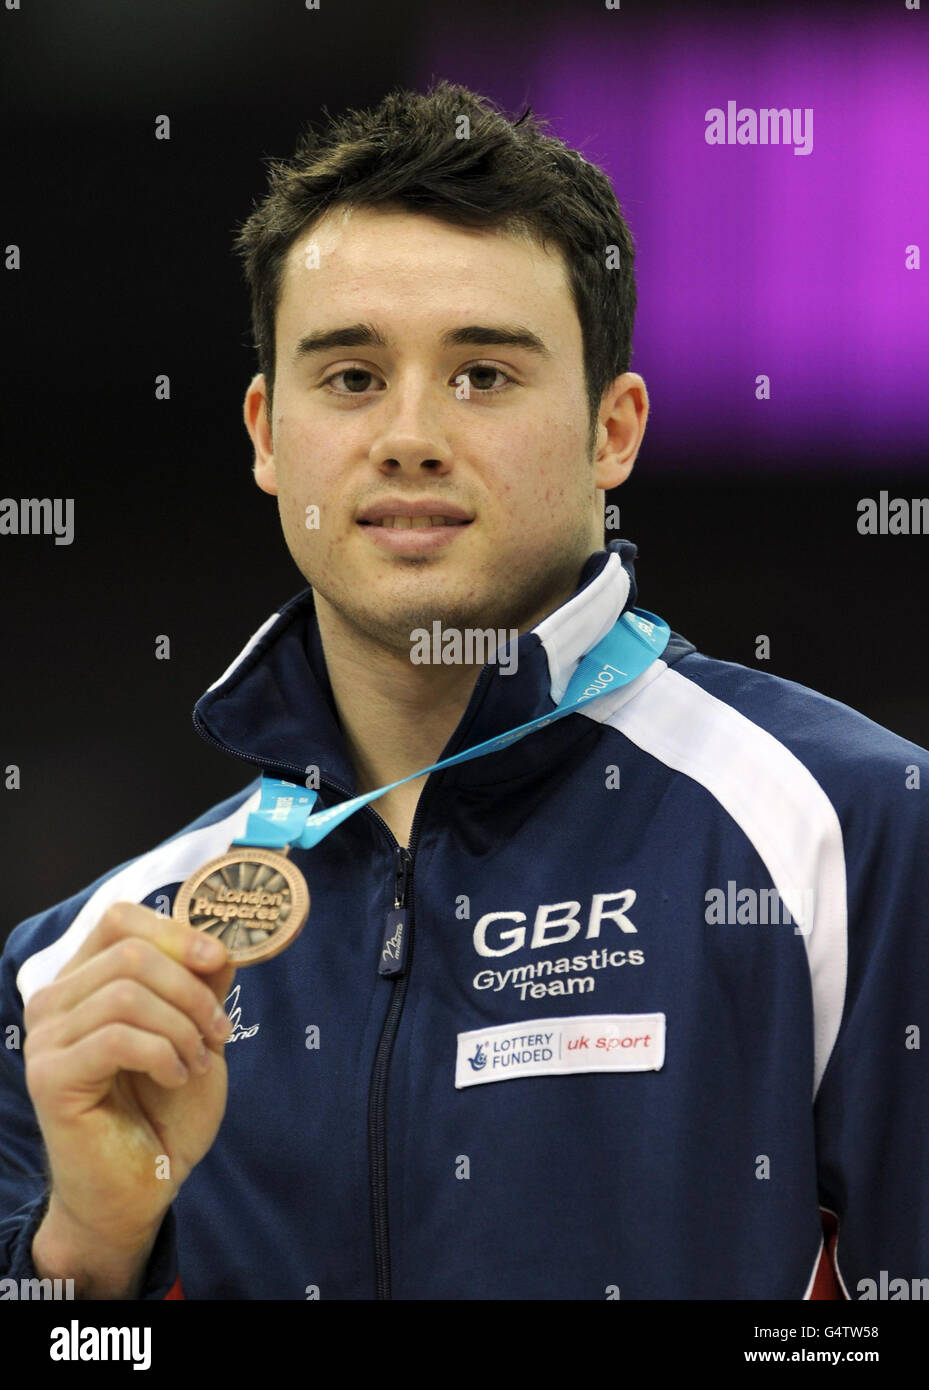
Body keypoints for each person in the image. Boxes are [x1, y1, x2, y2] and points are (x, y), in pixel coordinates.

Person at [1, 79, 926, 1302]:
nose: (408, 435)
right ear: (266, 434)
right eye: (349, 377)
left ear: (611, 431)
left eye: (482, 374)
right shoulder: (80, 968)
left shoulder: (851, 834)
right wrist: (86, 1252)